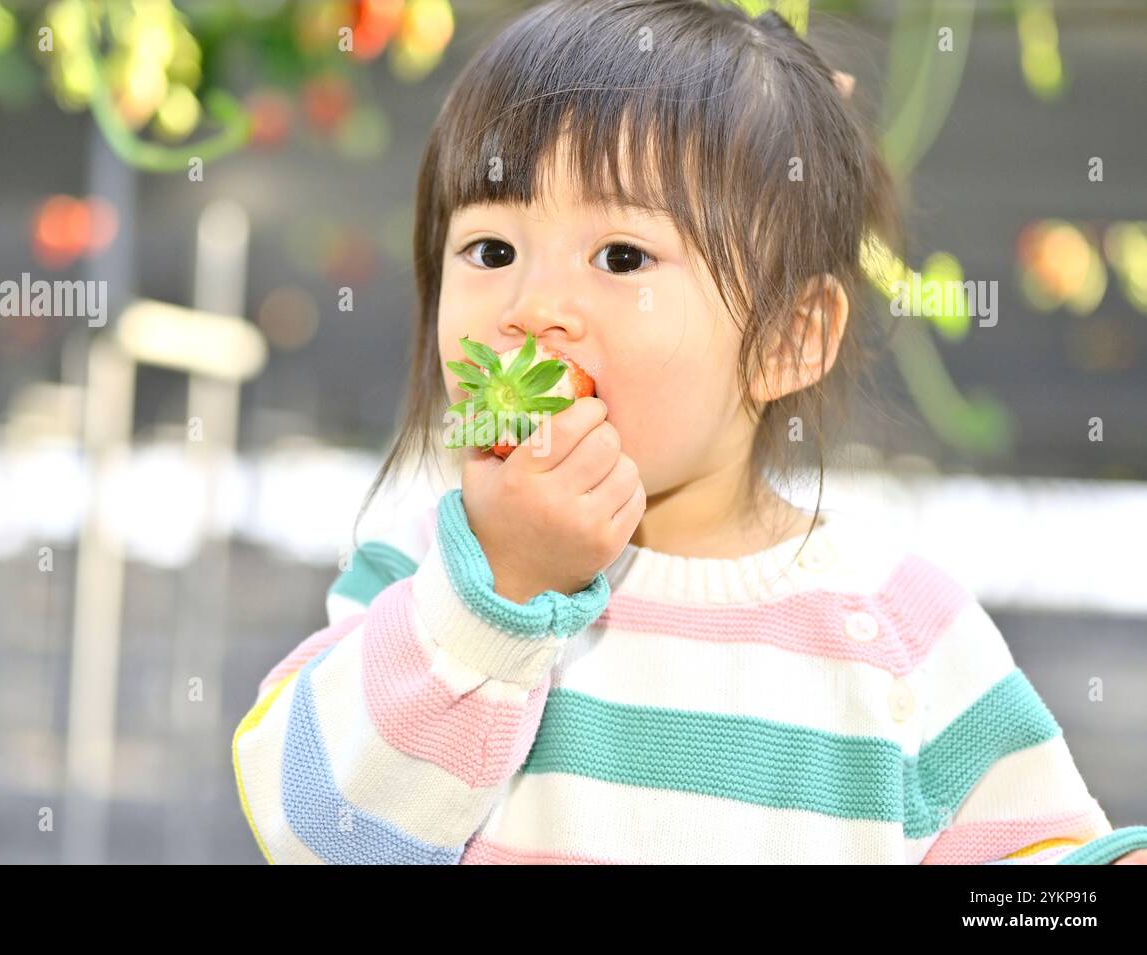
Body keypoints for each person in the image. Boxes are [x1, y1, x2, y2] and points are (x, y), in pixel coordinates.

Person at [233, 0, 1147, 864]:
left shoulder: (906, 632)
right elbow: (322, 833)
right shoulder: (433, 576)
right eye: (491, 250)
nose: (531, 305)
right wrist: (499, 594)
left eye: (622, 256)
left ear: (788, 340)